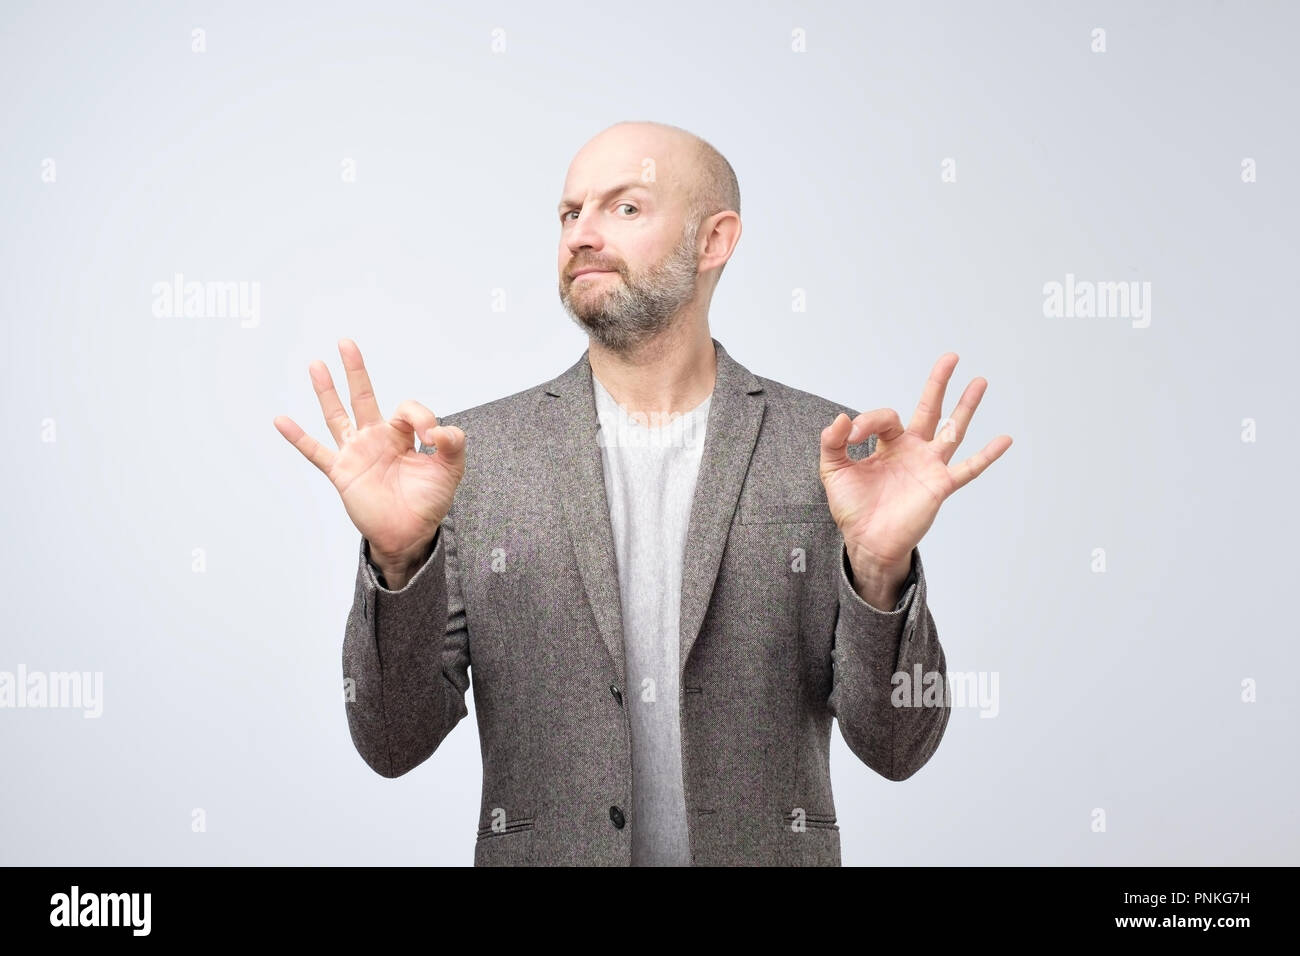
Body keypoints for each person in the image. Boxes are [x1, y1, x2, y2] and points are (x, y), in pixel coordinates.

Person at [274, 121, 1012, 866]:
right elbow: (392, 742)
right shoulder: (468, 461)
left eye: (625, 209)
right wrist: (399, 563)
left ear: (714, 241)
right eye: (570, 214)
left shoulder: (829, 452)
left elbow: (897, 747)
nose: (582, 236)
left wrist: (882, 573)